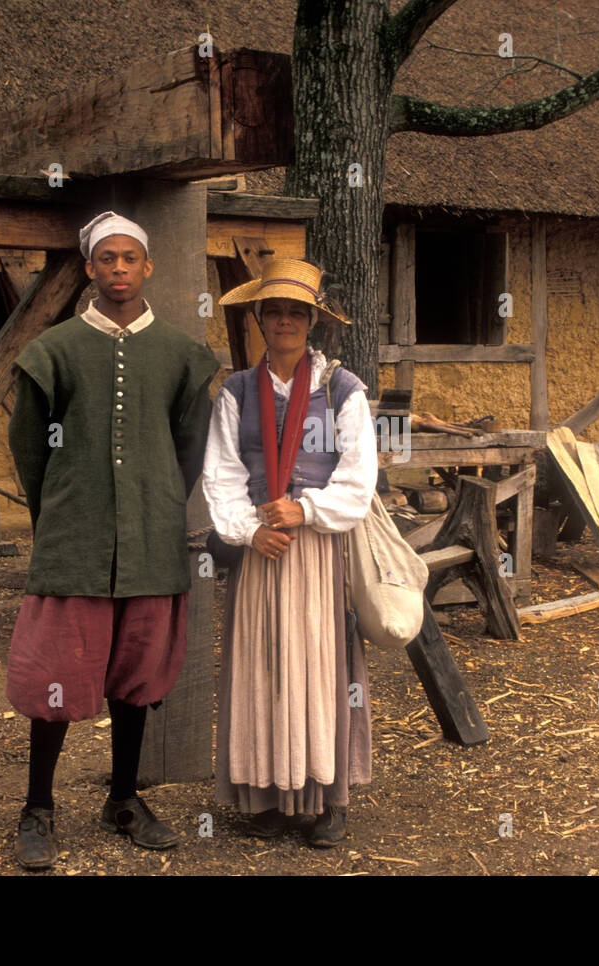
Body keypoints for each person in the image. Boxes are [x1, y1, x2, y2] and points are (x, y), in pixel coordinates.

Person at [5, 211, 218, 870]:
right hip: (74, 543)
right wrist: (66, 514)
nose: (119, 269)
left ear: (147, 266)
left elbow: (191, 447)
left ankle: (123, 798)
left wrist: (155, 505)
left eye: (130, 258)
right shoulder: (54, 351)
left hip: (153, 544)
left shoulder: (182, 355)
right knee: (57, 679)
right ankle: (38, 808)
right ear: (91, 270)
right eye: (107, 260)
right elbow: (29, 448)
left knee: (137, 677)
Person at [202, 258, 377, 847]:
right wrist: (250, 531)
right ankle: (267, 795)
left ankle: (327, 796)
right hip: (260, 547)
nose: (284, 321)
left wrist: (304, 510)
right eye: (273, 310)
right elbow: (222, 473)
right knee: (265, 663)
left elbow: (358, 479)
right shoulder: (235, 392)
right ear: (258, 318)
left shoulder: (342, 390)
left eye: (296, 312)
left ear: (312, 321)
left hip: (317, 550)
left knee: (320, 667)